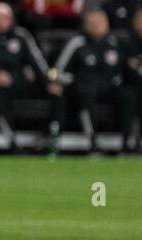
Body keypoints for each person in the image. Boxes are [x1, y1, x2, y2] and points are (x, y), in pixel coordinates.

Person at [0, 2, 62, 151]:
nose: (1, 22)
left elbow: (37, 61)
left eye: (5, 18)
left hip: (20, 80)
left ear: (11, 20)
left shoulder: (21, 36)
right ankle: (12, 142)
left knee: (56, 93)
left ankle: (49, 140)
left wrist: (48, 81)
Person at [54, 10, 131, 154]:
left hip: (110, 87)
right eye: (93, 23)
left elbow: (125, 69)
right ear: (86, 25)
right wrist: (75, 81)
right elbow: (59, 71)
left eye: (100, 22)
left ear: (107, 24)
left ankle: (128, 145)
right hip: (83, 88)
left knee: (129, 95)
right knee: (86, 94)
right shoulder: (77, 43)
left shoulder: (115, 43)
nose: (97, 26)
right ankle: (93, 143)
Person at [122, 8, 142, 152]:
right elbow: (127, 71)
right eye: (141, 21)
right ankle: (128, 142)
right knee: (131, 96)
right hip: (131, 86)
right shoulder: (127, 44)